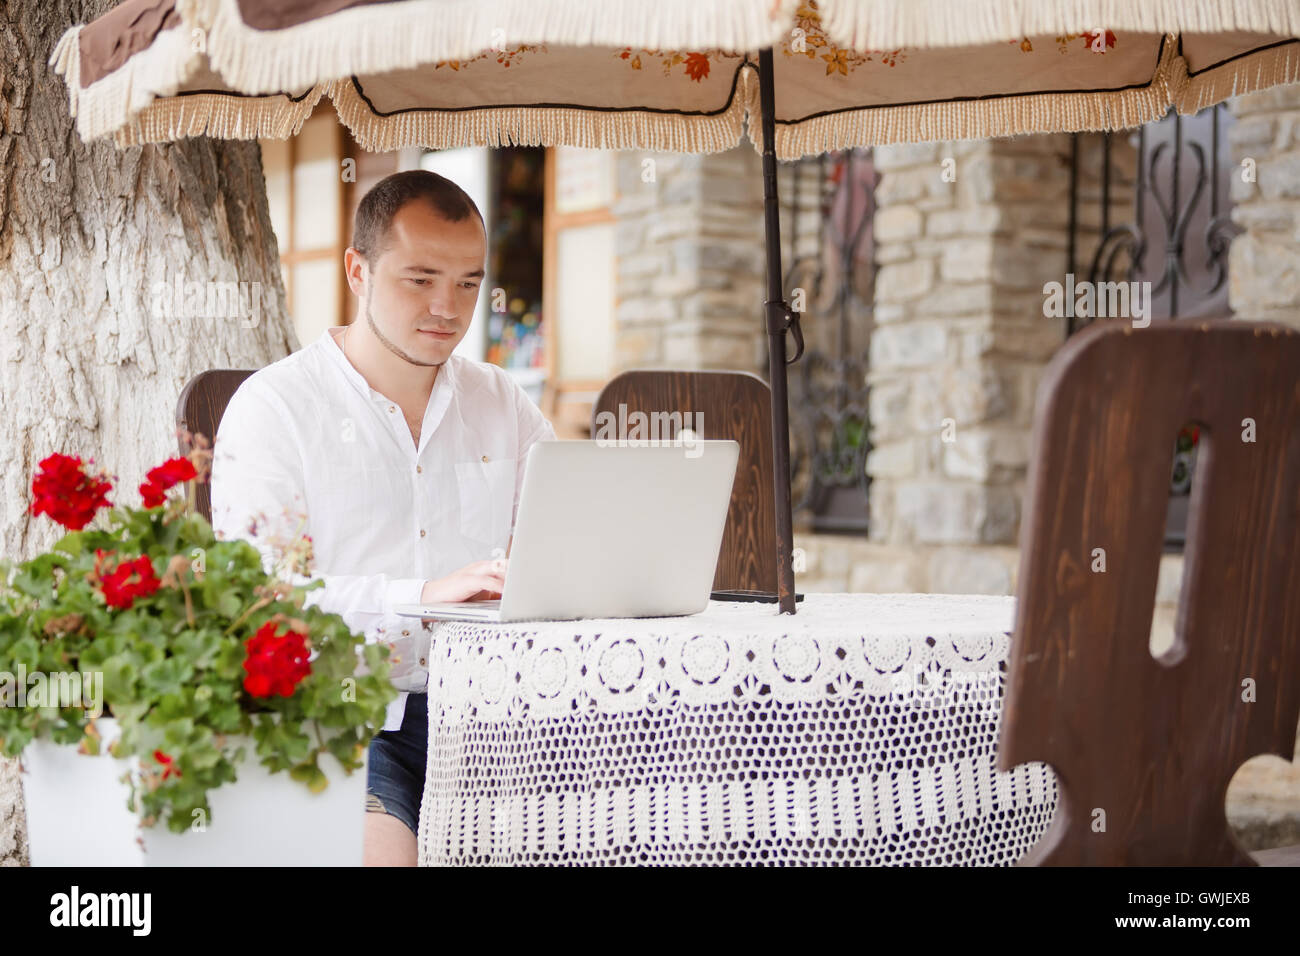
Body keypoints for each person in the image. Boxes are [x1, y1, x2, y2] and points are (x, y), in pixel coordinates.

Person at [210, 169, 556, 866]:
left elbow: (567, 540)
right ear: (357, 271)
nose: (448, 308)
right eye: (420, 278)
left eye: (467, 283)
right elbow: (257, 601)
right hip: (352, 718)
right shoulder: (276, 407)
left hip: (501, 716)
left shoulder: (503, 401)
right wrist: (422, 597)